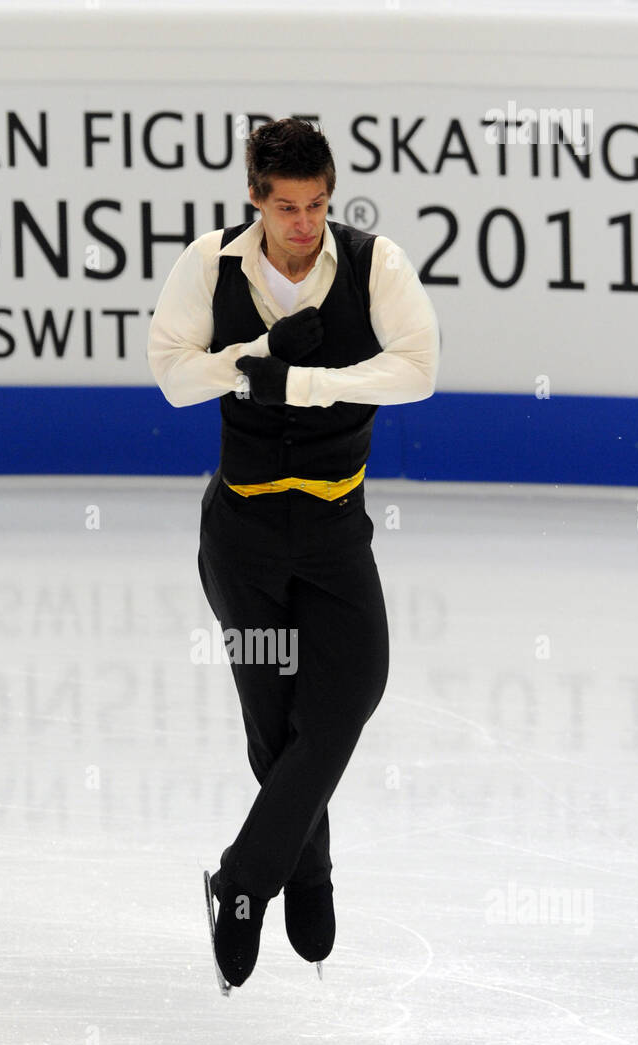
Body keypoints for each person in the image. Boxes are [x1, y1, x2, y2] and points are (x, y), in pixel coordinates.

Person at [147, 117, 439, 988]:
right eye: (285, 207)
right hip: (241, 541)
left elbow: (416, 369)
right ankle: (307, 868)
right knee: (276, 730)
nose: (304, 224)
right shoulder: (210, 265)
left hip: (332, 534)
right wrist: (257, 354)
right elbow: (171, 376)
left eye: (316, 204)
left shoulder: (372, 263)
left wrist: (305, 383)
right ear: (254, 197)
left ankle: (244, 880)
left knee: (348, 699)